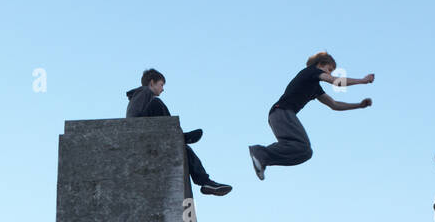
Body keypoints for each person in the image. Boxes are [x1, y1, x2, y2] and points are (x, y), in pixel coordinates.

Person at [248, 52, 374, 181]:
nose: (329, 74)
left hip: (280, 116)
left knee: (304, 152)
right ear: (320, 64)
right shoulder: (311, 72)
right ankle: (260, 152)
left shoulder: (315, 87)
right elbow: (336, 82)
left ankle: (263, 159)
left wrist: (358, 105)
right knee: (301, 145)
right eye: (329, 70)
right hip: (282, 111)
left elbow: (334, 104)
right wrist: (363, 81)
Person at [125, 69, 232, 196]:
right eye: (161, 84)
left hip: (151, 134)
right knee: (156, 103)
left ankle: (206, 182)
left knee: (185, 149)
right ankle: (180, 136)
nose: (163, 89)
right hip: (139, 134)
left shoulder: (143, 96)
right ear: (152, 83)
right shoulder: (144, 92)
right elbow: (132, 121)